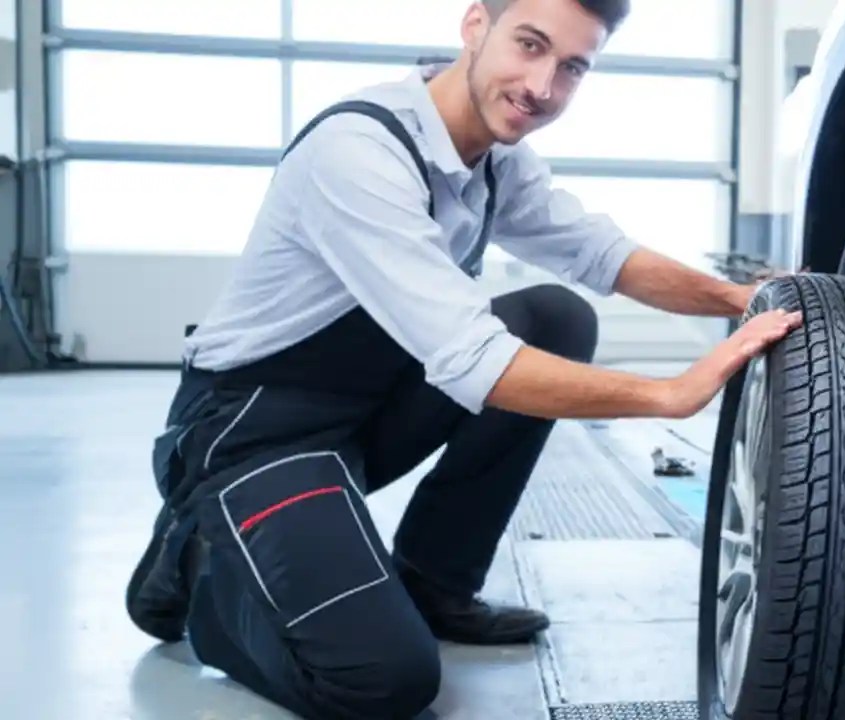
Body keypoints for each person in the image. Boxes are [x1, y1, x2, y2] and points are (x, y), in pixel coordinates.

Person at [124, 0, 802, 717]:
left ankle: (433, 582)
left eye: (572, 66)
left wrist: (739, 300)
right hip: (253, 435)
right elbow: (473, 361)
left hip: (362, 416)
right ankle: (200, 574)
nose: (543, 86)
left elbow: (601, 254)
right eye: (530, 45)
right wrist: (667, 394)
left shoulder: (495, 161)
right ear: (475, 26)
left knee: (553, 317)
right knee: (384, 681)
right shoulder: (360, 152)